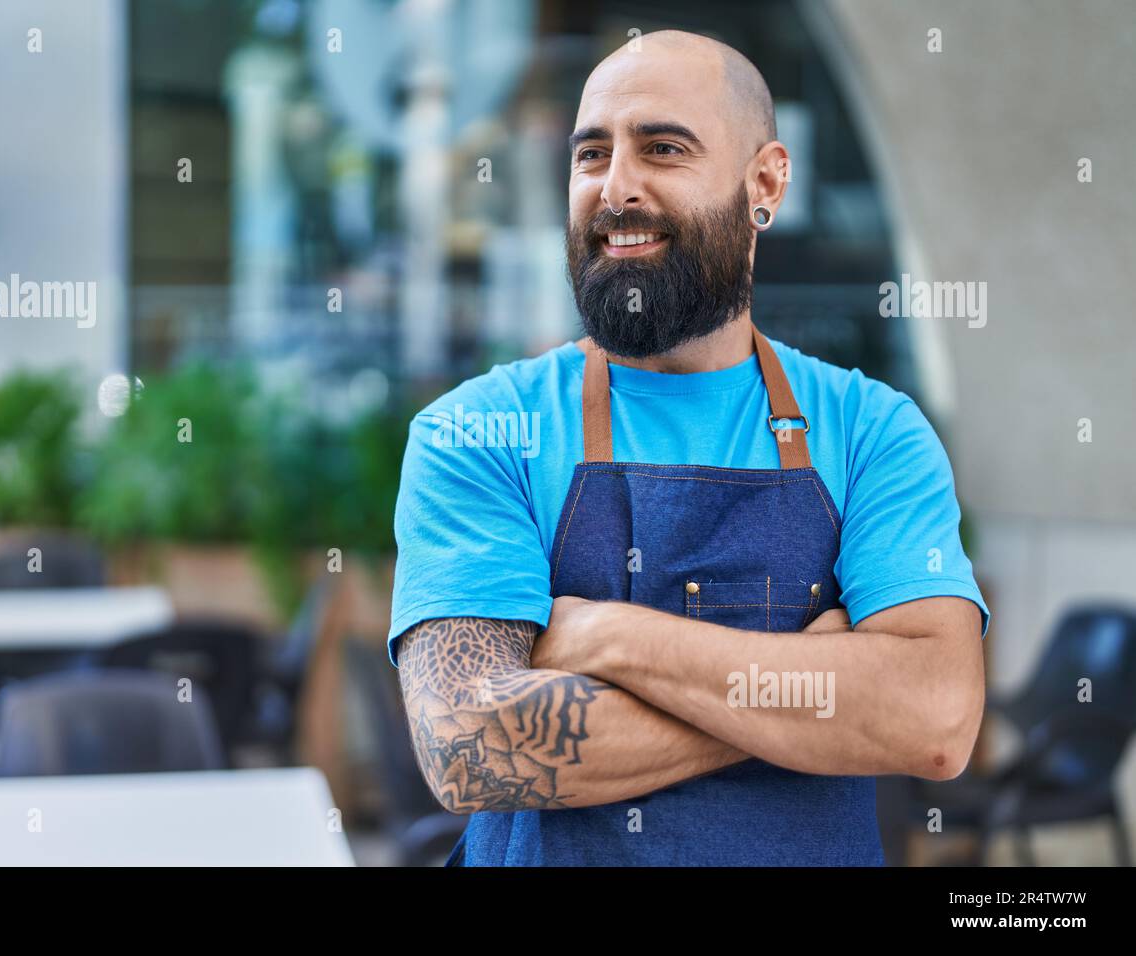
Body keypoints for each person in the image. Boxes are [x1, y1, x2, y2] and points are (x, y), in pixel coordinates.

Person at [388, 30, 988, 866]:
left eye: (663, 148)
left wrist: (612, 639)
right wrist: (815, 688)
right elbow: (470, 746)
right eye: (591, 154)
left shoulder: (872, 430)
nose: (616, 187)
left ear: (766, 182)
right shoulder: (478, 430)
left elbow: (933, 721)